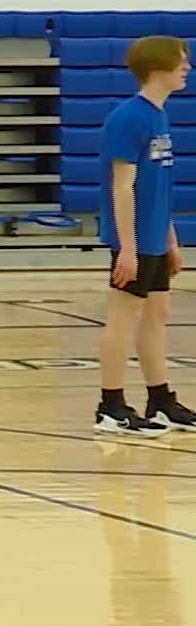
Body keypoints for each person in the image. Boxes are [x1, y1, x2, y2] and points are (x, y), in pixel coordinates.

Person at [95, 34, 196, 437]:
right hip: (132, 240)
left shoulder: (160, 115)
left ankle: (160, 401)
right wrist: (128, 249)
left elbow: (161, 186)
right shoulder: (128, 117)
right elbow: (122, 187)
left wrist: (170, 241)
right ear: (158, 67)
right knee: (124, 318)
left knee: (159, 315)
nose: (187, 68)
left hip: (154, 238)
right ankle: (111, 405)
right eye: (181, 61)